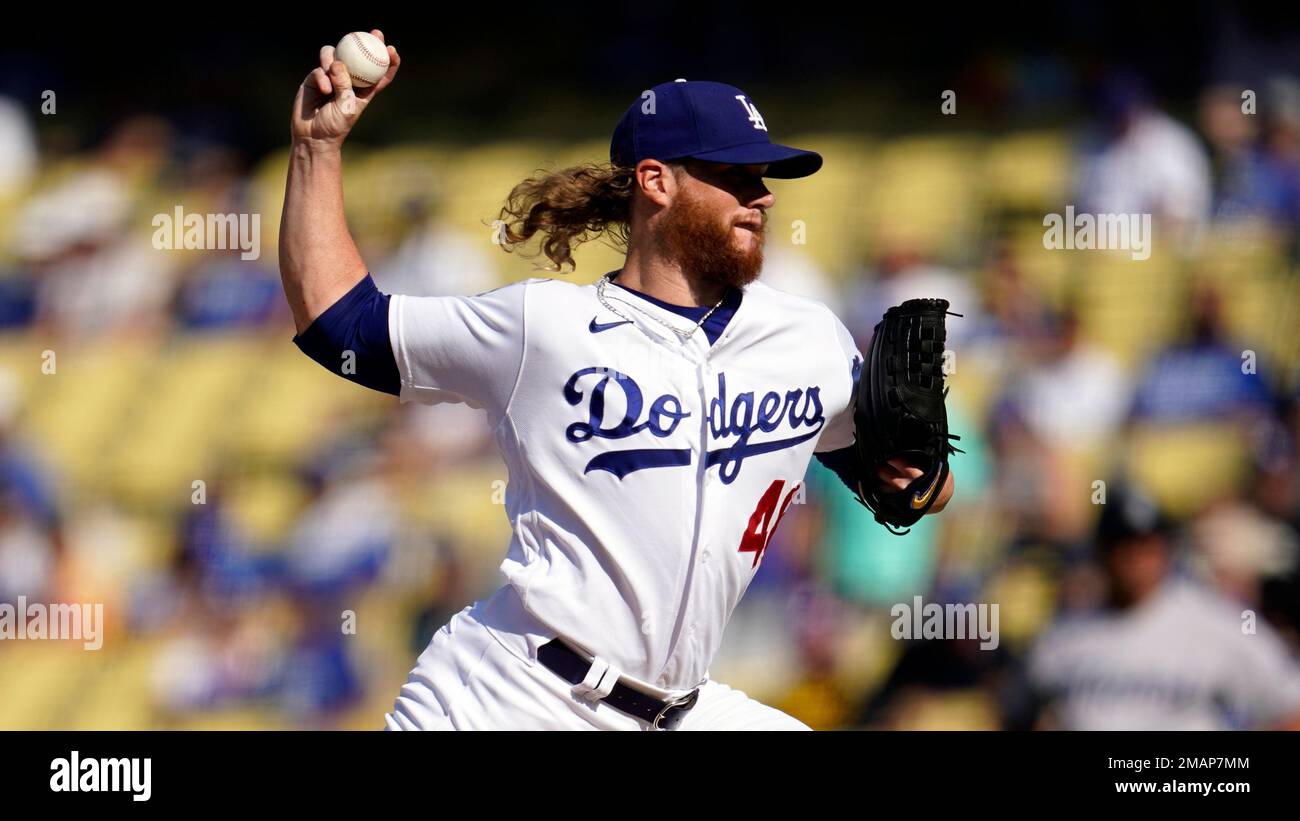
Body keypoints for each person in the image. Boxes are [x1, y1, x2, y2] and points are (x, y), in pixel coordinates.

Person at [279, 31, 954, 730]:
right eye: (736, 175)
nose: (762, 197)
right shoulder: (541, 326)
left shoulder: (808, 341)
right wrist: (315, 148)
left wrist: (920, 471)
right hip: (515, 694)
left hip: (684, 707)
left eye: (765, 178)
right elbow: (341, 328)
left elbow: (910, 488)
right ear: (657, 181)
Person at [1027, 485, 1300, 730]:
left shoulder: (1216, 622)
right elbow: (1030, 713)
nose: (1135, 560)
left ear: (1165, 549)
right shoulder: (1065, 634)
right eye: (1122, 547)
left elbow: (1290, 706)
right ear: (1101, 552)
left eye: (1145, 546)